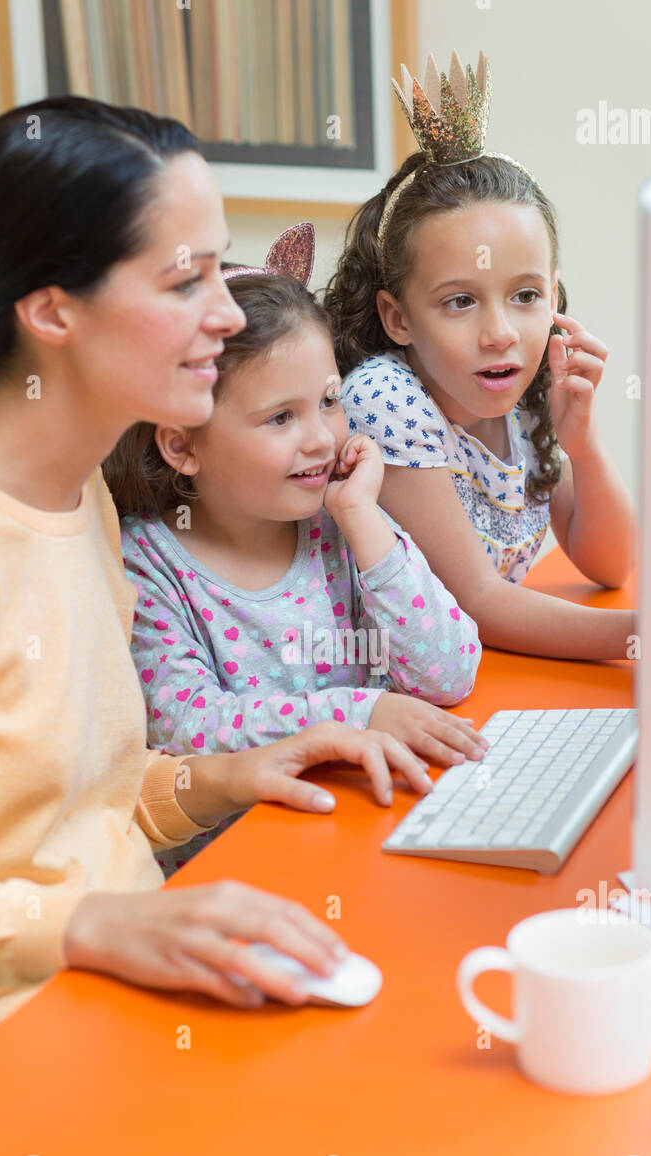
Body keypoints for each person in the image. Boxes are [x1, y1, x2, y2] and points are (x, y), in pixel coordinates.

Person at [0, 96, 433, 1097]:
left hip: (117, 986)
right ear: (52, 310)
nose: (229, 313)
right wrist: (103, 924)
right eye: (186, 280)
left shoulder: (80, 502)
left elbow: (81, 813)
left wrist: (232, 774)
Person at [102, 225, 486, 868]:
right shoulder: (149, 563)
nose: (320, 439)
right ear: (182, 445)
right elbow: (192, 731)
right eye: (281, 417)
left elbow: (449, 671)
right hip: (246, 873)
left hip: (367, 833)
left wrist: (365, 519)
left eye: (329, 402)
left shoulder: (339, 523)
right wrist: (361, 712)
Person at [323, 51, 637, 661]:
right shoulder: (386, 399)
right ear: (397, 317)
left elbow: (610, 564)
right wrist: (649, 636)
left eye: (525, 295)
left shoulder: (519, 393)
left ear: (554, 295)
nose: (501, 334)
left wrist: (585, 446)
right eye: (460, 301)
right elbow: (477, 601)